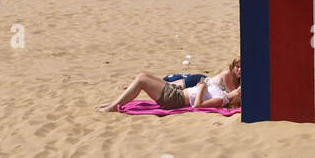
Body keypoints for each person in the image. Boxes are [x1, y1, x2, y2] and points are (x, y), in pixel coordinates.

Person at [99, 58, 241, 112]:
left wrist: (201, 89)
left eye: (239, 91)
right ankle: (115, 102)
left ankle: (113, 107)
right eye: (237, 67)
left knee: (142, 79)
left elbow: (197, 106)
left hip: (175, 98)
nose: (238, 90)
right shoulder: (224, 91)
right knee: (144, 75)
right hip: (178, 92)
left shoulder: (222, 99)